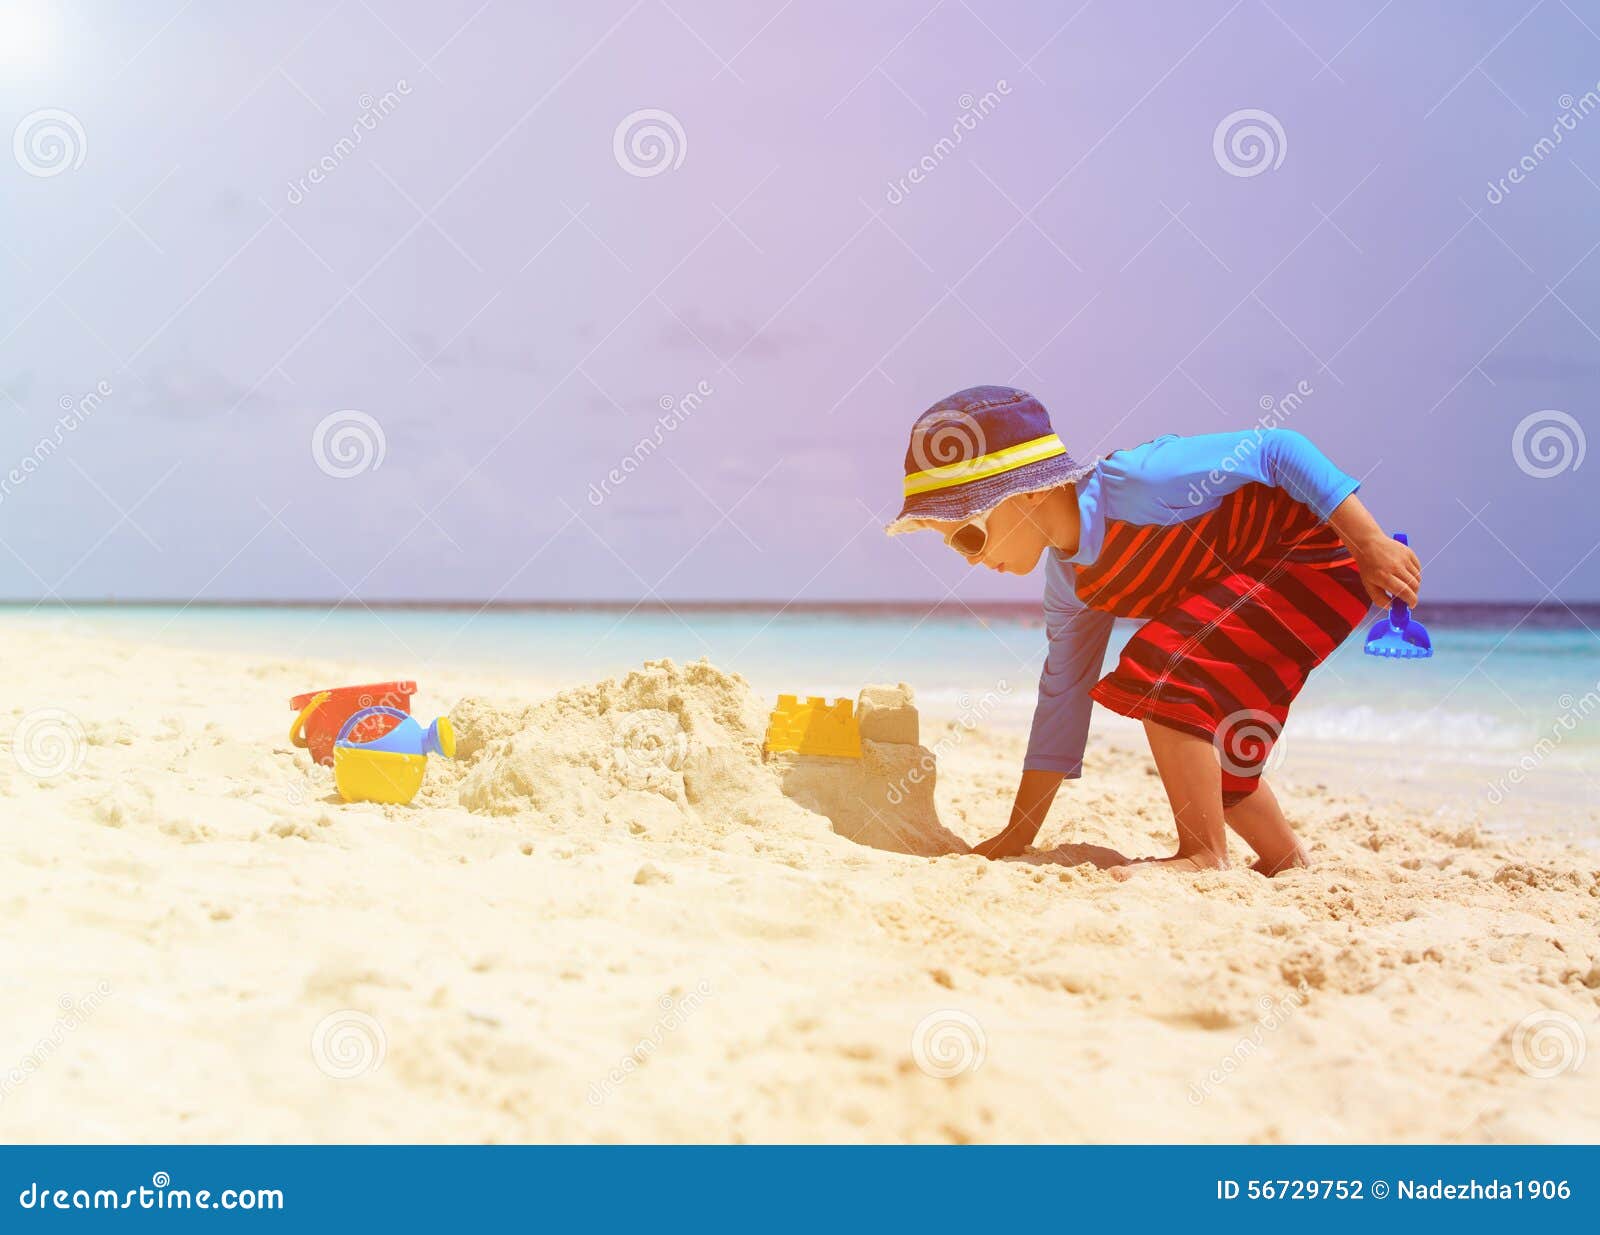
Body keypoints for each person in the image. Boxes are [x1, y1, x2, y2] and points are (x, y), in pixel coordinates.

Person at [885, 386, 1421, 875]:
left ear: (1026, 493)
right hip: (1257, 585)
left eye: (968, 536)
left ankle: (1203, 854)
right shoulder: (1072, 585)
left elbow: (1279, 448)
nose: (968, 560)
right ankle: (1287, 862)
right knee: (1220, 751)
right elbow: (1064, 696)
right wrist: (1019, 833)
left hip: (1317, 556)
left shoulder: (1138, 482)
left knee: (1163, 669)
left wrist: (1369, 542)